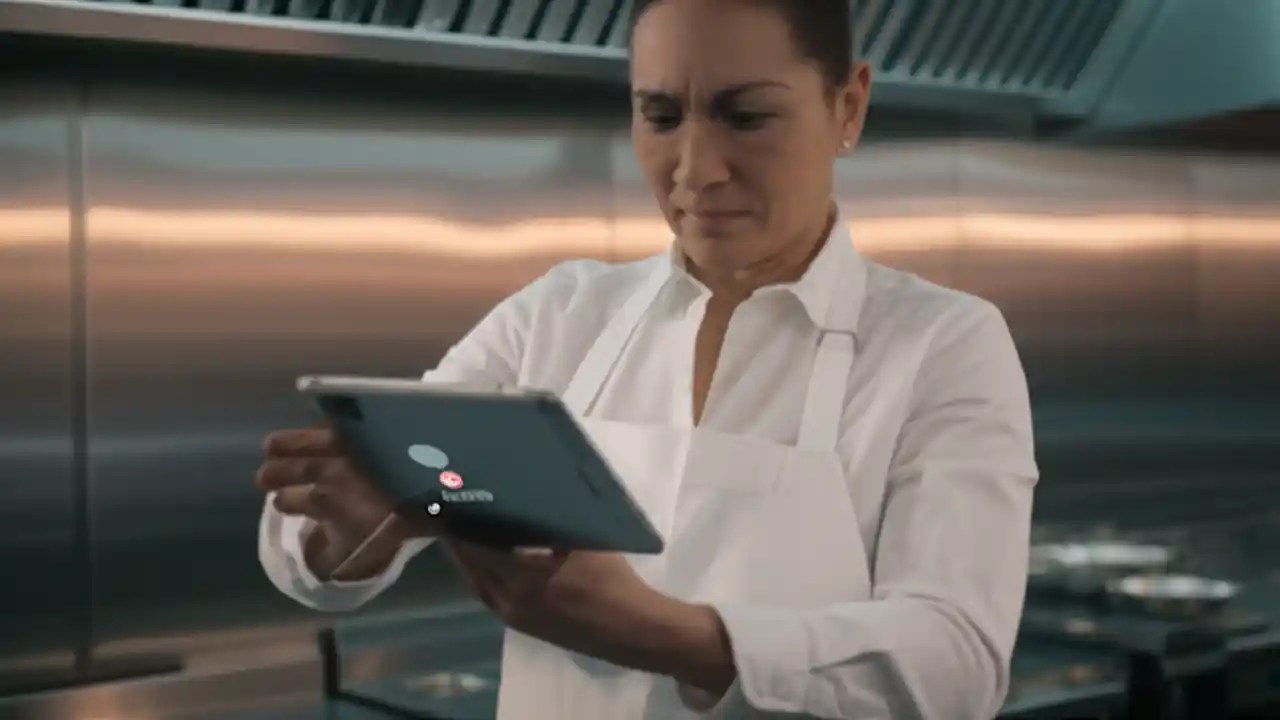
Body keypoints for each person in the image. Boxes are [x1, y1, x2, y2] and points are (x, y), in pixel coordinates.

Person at [255, 0, 1038, 717]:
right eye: (660, 116)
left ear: (849, 106)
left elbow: (954, 666)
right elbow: (322, 557)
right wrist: (356, 528)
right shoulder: (560, 316)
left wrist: (666, 635)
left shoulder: (944, 344)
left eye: (748, 116)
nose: (695, 169)